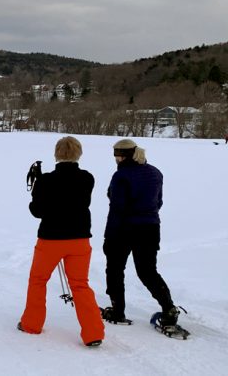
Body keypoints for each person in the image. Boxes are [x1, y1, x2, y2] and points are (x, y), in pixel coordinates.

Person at [18, 136, 105, 347]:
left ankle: (32, 323)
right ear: (78, 153)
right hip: (80, 239)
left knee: (38, 280)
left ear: (57, 154)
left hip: (51, 239)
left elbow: (37, 211)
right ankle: (93, 333)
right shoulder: (87, 178)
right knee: (80, 284)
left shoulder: (47, 181)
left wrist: (38, 188)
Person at [100, 139, 181, 328]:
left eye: (116, 155)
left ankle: (117, 310)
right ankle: (168, 307)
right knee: (147, 271)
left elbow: (117, 209)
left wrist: (108, 236)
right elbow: (158, 202)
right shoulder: (155, 172)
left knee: (115, 268)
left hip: (124, 229)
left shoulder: (121, 176)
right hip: (150, 228)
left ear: (121, 156)